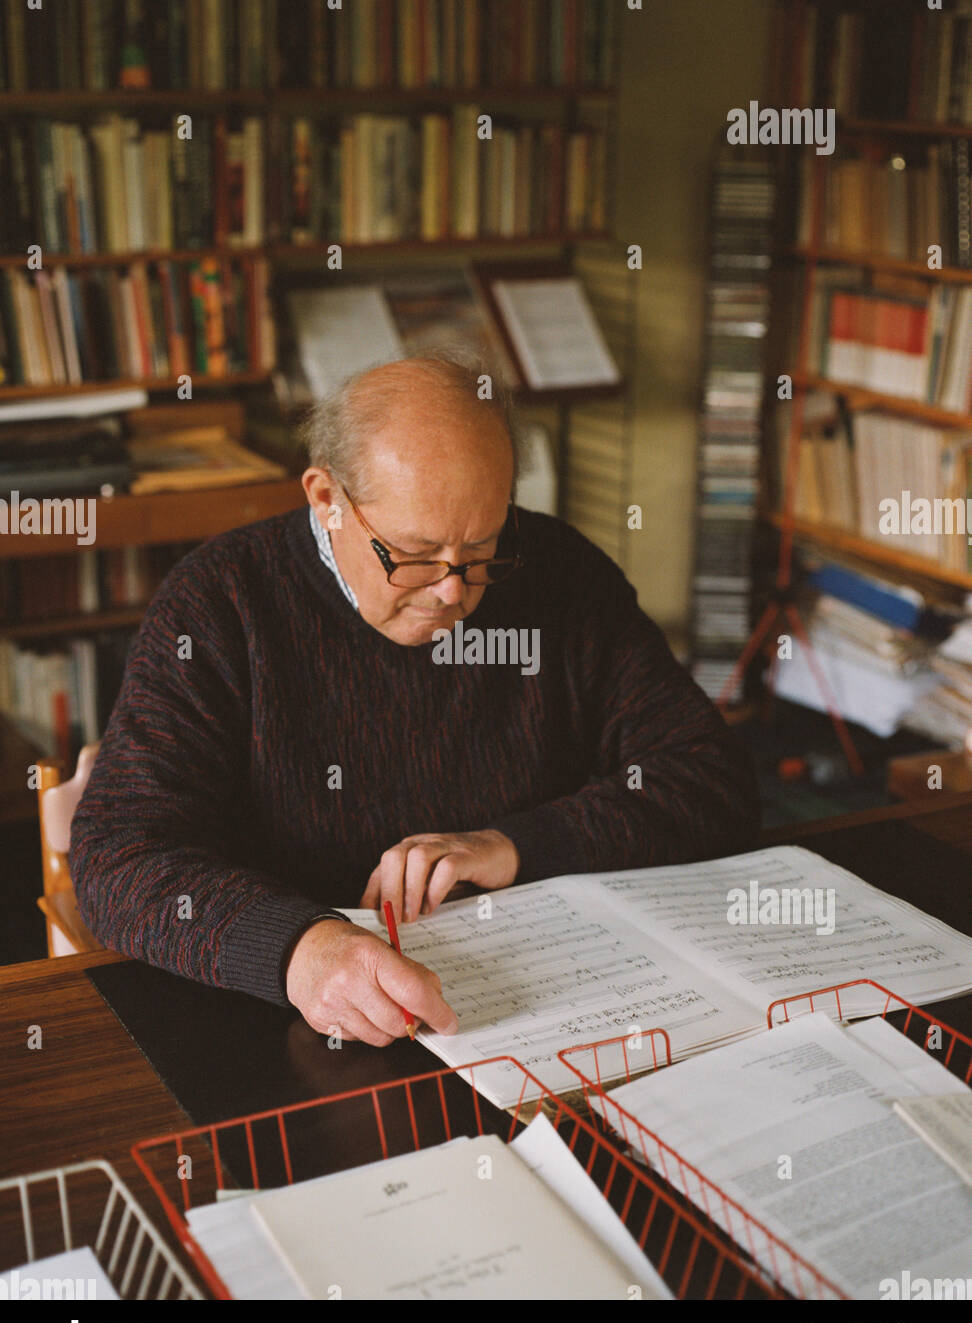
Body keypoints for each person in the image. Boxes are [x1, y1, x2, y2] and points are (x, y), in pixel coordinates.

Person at [70, 353, 760, 1047]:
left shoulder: (562, 573)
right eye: (414, 553)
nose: (454, 591)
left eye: (483, 546)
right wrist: (297, 949)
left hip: (540, 1002)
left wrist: (516, 845)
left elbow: (709, 776)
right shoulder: (219, 605)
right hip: (295, 1029)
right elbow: (119, 856)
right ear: (325, 498)